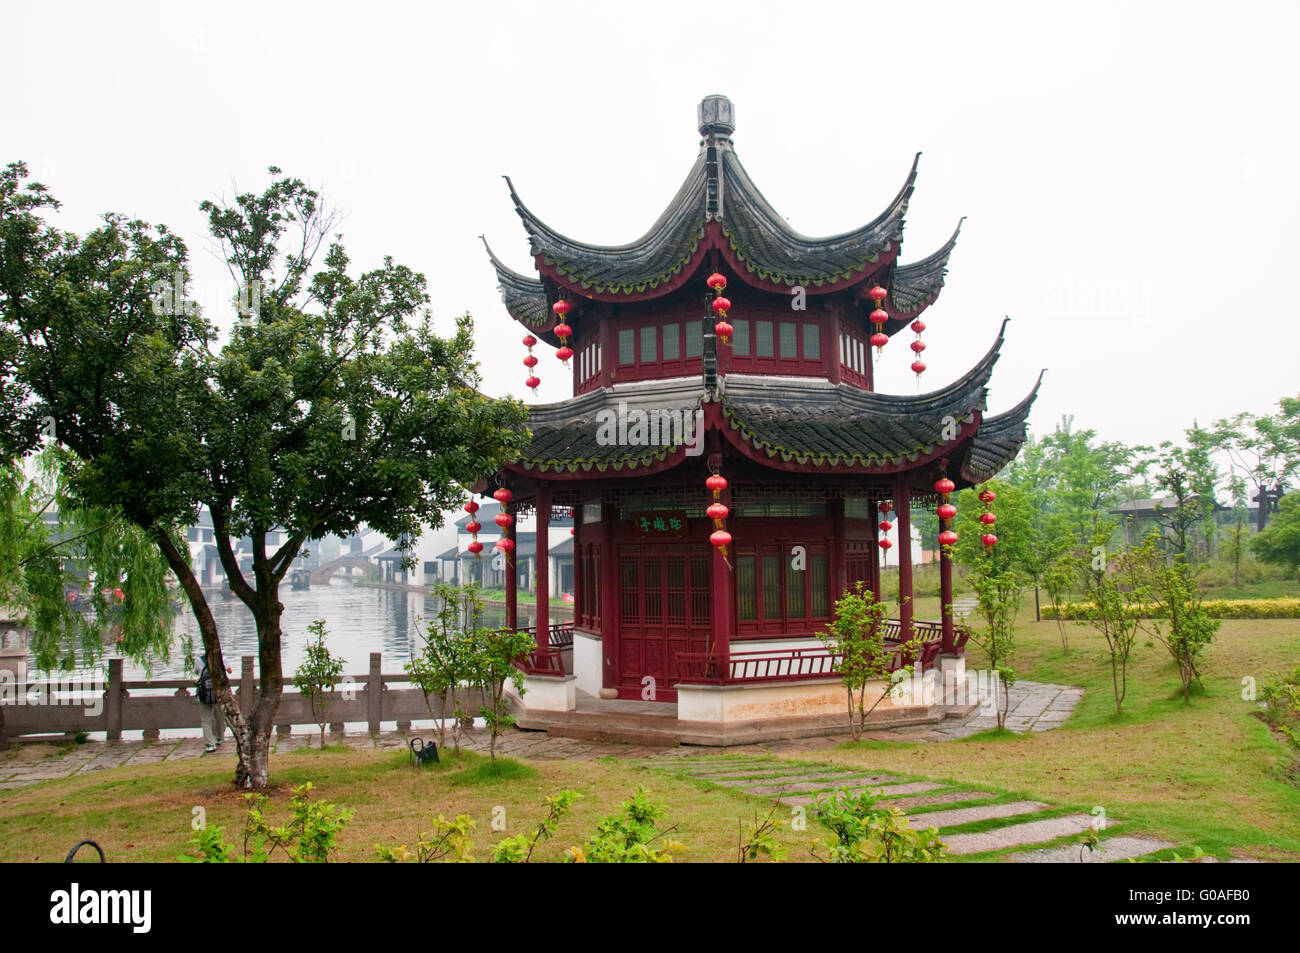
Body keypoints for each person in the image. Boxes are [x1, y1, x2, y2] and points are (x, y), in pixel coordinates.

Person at [196, 656, 225, 752]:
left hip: (203, 693)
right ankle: (219, 737)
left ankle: (210, 743)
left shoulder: (199, 660)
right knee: (220, 716)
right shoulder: (221, 658)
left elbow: (197, 672)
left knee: (206, 719)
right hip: (218, 693)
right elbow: (229, 670)